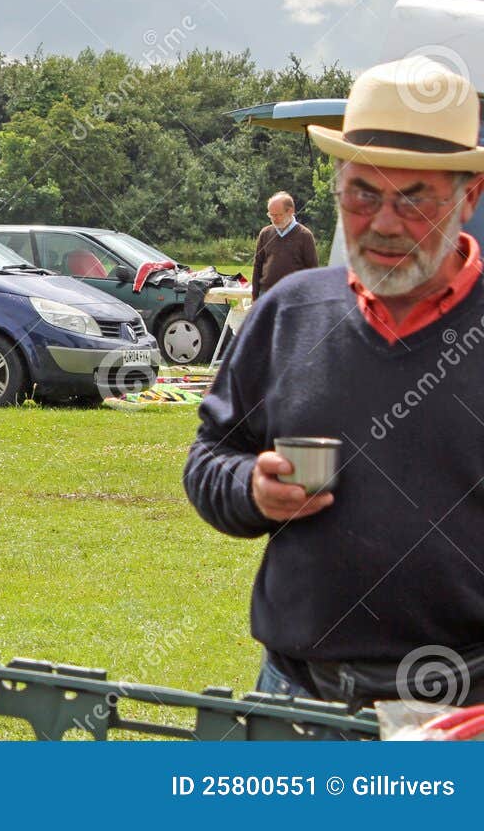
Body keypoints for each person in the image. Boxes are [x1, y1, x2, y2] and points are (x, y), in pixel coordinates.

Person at [185, 56, 484, 709]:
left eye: (414, 198)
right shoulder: (290, 311)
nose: (383, 221)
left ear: (468, 196)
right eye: (363, 192)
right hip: (296, 698)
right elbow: (208, 459)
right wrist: (251, 489)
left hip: (463, 712)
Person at [252, 191, 317, 299]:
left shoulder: (305, 235)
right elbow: (257, 265)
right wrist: (255, 296)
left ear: (290, 211)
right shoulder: (265, 233)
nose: (274, 219)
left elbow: (312, 270)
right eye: (271, 215)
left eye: (278, 215)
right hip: (266, 294)